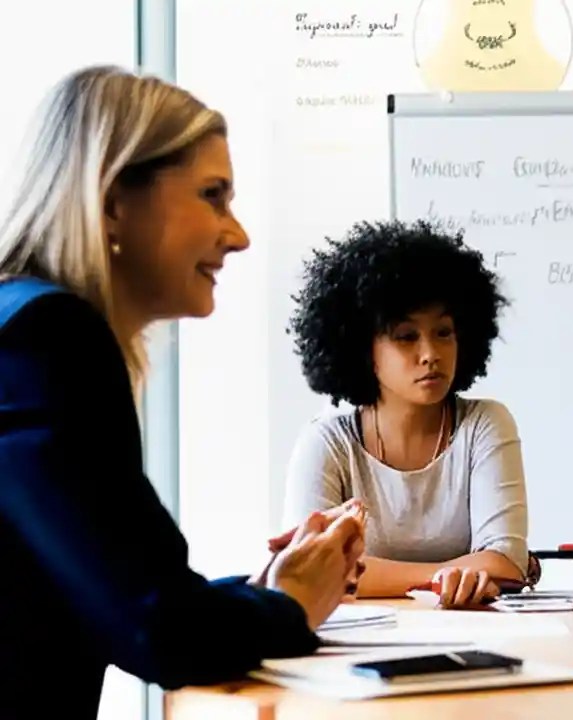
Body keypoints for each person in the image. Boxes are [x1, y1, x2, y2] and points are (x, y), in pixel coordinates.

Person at [0, 66, 363, 717]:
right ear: (112, 199)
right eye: (213, 195)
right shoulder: (48, 338)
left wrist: (268, 593)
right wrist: (292, 605)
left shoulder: (22, 324)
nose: (239, 234)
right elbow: (158, 632)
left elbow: (120, 595)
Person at [283, 218, 534, 608]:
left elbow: (506, 563)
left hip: (476, 635)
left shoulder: (485, 424)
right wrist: (447, 578)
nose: (430, 353)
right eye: (406, 336)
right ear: (364, 348)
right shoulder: (327, 443)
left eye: (443, 332)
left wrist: (363, 573)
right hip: (359, 648)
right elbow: (305, 572)